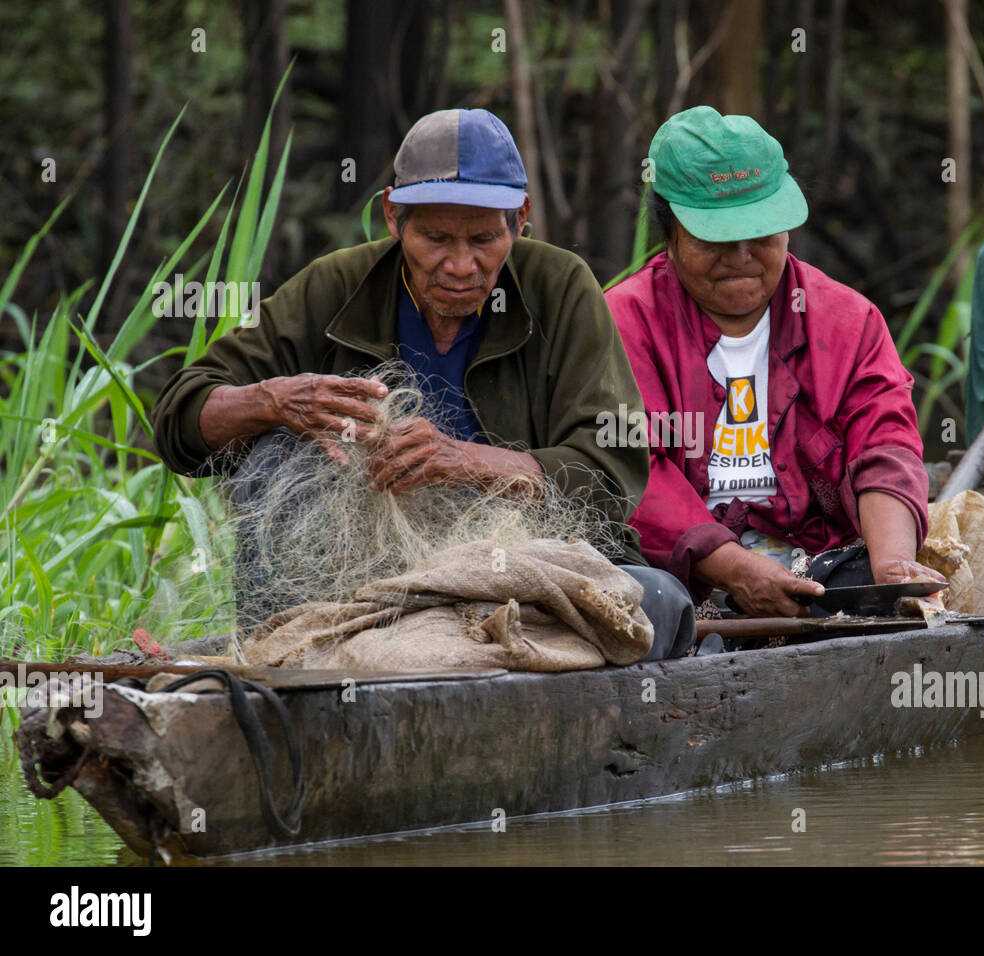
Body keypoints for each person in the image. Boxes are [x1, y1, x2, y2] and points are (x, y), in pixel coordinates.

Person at [150, 108, 695, 661]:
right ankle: (286, 669)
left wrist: (466, 460)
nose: (461, 265)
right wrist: (274, 400)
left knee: (660, 600)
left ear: (520, 218)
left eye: (484, 239)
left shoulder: (560, 286)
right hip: (364, 591)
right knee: (274, 456)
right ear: (393, 217)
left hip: (524, 578)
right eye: (435, 238)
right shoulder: (336, 285)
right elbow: (181, 415)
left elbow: (611, 469)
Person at [606, 105, 942, 619]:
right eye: (715, 237)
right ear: (668, 234)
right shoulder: (625, 321)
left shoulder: (848, 320)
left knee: (874, 587)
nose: (741, 255)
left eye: (760, 234)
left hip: (816, 564)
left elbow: (885, 446)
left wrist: (893, 567)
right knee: (648, 601)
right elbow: (629, 471)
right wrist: (734, 568)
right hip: (678, 573)